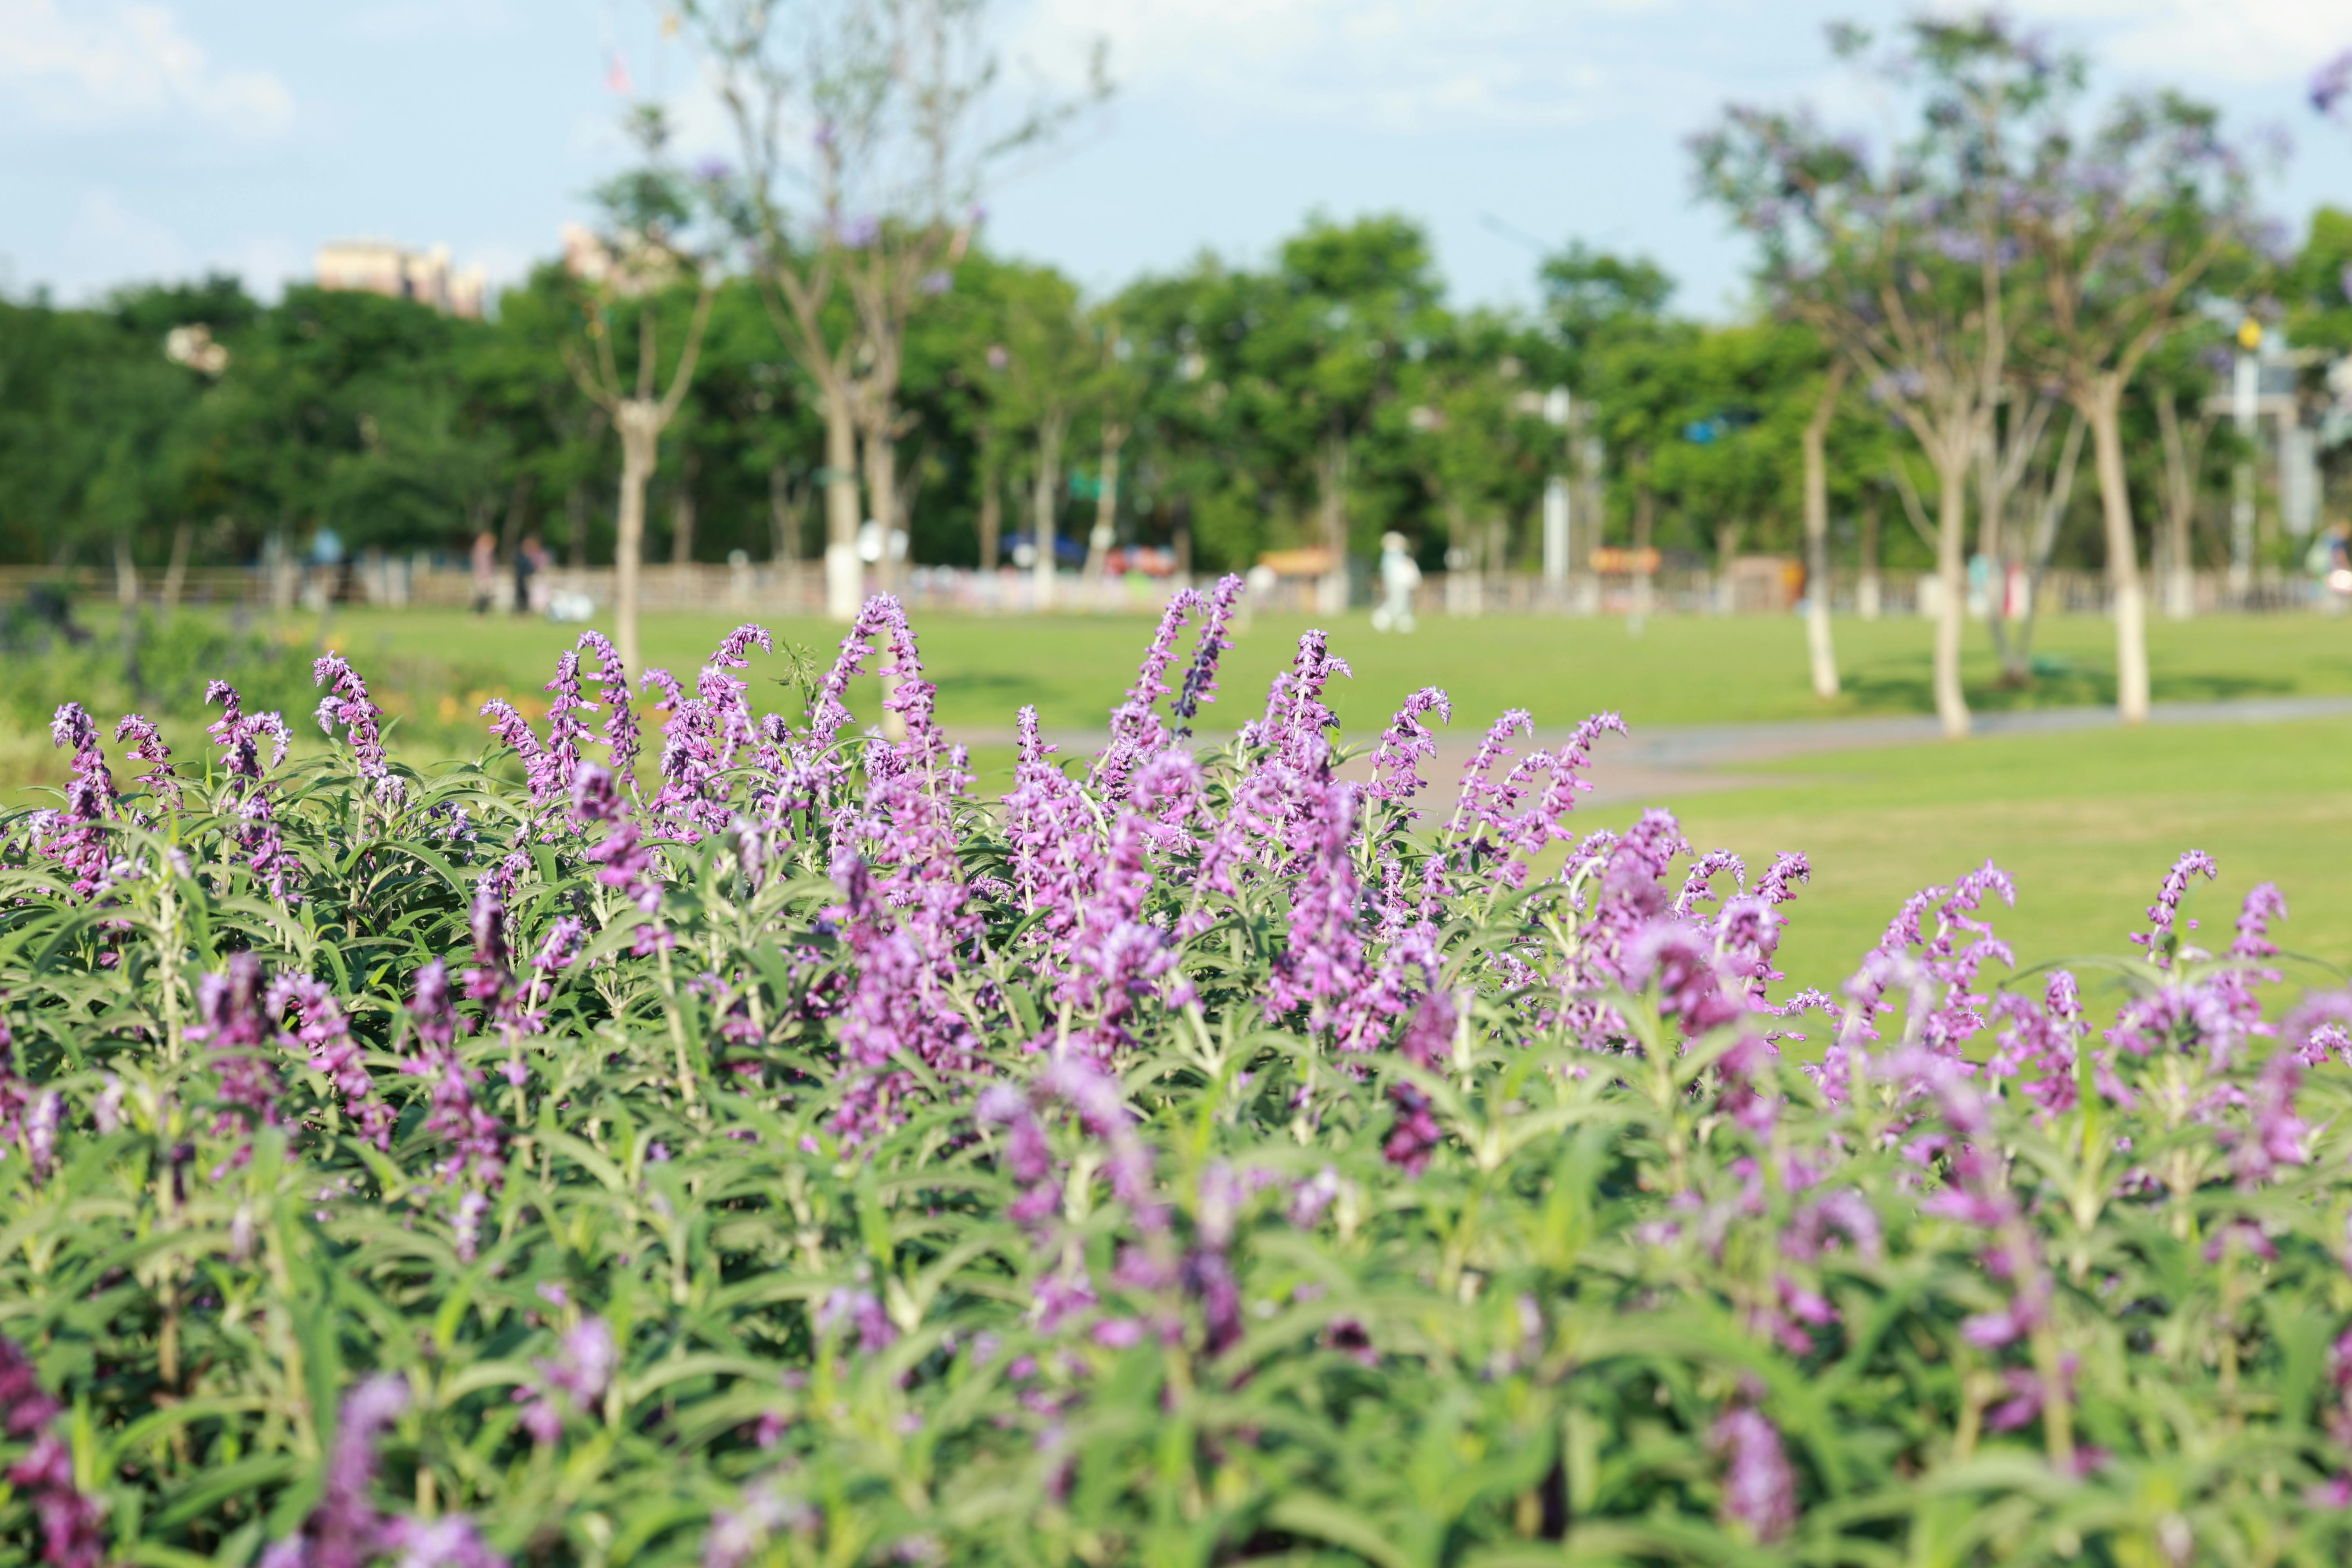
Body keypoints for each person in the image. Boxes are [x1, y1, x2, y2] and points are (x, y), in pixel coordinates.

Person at [1370, 530, 1421, 633]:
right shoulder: (1392, 555)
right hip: (1397, 583)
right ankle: (1381, 618)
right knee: (1396, 602)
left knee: (1403, 602)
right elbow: (1397, 571)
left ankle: (1404, 622)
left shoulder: (1395, 556)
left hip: (1400, 583)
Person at [470, 531, 497, 615]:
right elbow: (479, 565)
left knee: (487, 595)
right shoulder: (480, 551)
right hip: (482, 576)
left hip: (487, 575)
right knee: (481, 594)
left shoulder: (487, 552)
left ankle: (482, 612)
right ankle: (478, 612)